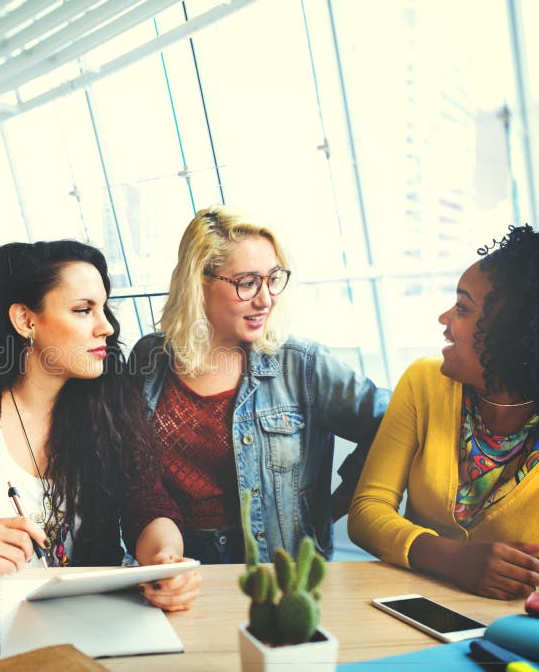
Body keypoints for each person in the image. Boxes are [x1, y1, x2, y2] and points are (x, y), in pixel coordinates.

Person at [0, 240, 200, 612]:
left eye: (104, 308)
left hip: (89, 613)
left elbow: (148, 504)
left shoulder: (111, 394)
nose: (107, 327)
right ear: (25, 320)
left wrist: (165, 560)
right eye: (84, 310)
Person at [130, 205, 389, 564]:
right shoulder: (149, 359)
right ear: (199, 282)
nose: (266, 298)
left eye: (273, 278)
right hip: (173, 562)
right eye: (247, 282)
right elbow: (135, 475)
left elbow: (393, 424)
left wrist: (338, 503)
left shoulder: (303, 364)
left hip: (275, 569)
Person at [349, 225, 539, 600]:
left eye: (463, 308)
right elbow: (367, 511)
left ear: (512, 333)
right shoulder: (425, 382)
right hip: (415, 609)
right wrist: (452, 559)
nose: (444, 318)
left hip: (516, 631)